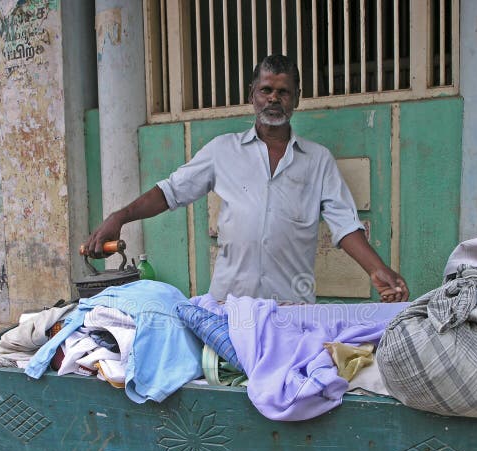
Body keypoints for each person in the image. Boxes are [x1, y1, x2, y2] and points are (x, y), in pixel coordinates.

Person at [84, 54, 409, 304]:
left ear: (297, 98)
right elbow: (170, 192)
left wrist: (377, 270)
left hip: (290, 309)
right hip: (229, 308)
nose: (273, 98)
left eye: (283, 92)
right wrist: (120, 216)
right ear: (252, 94)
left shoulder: (318, 160)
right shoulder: (222, 150)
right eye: (266, 90)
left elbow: (345, 225)